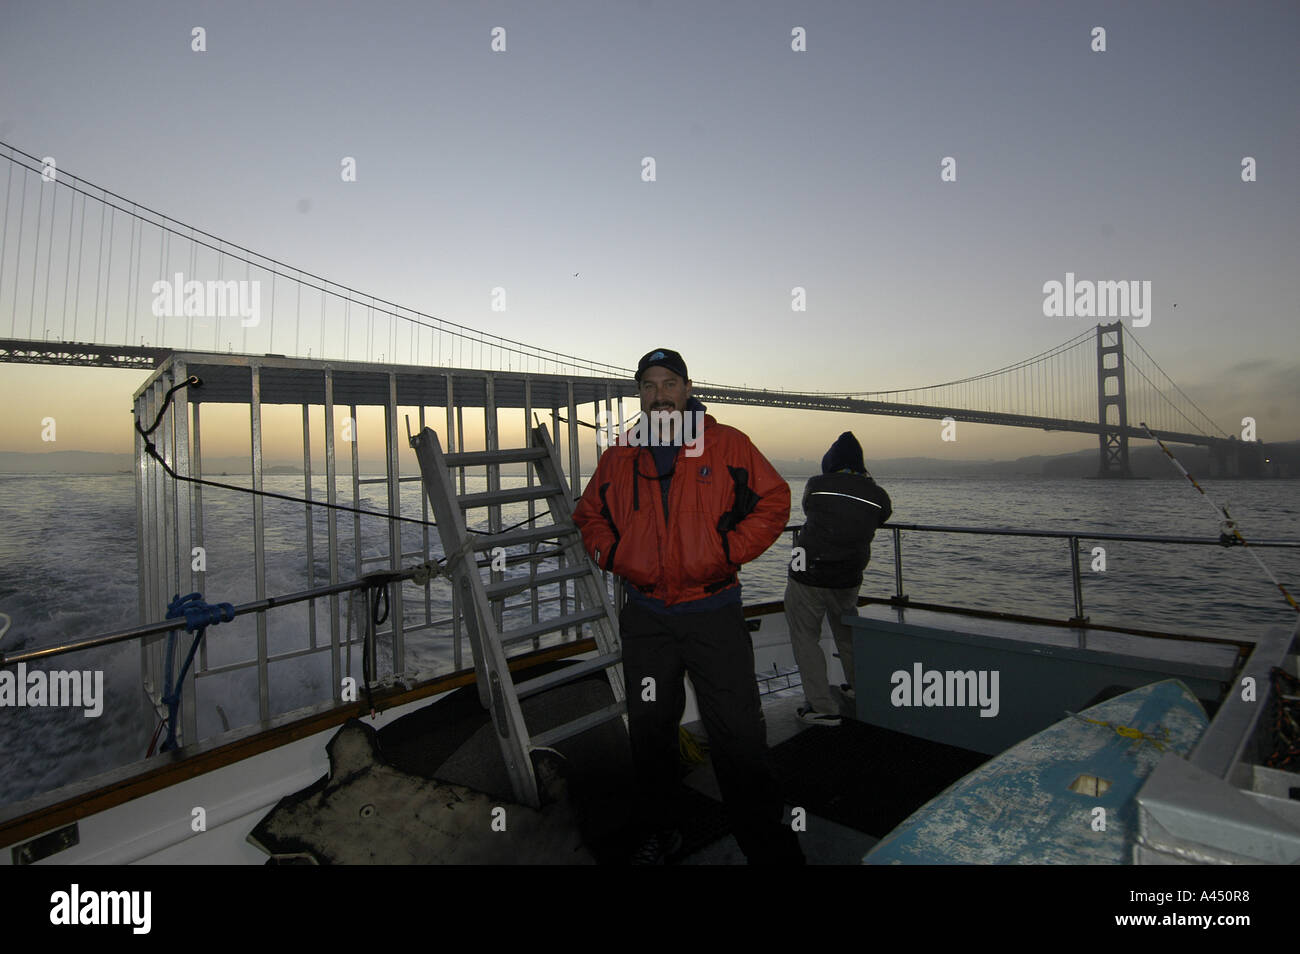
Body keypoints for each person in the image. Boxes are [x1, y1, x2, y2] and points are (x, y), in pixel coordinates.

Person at [572, 348, 803, 864]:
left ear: (687, 387)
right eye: (649, 386)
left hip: (713, 613)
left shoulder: (727, 445)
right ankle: (660, 830)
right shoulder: (620, 455)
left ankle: (767, 848)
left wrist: (727, 551)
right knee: (651, 732)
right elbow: (588, 512)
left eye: (669, 383)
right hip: (647, 618)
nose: (660, 395)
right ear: (640, 394)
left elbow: (775, 500)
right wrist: (610, 552)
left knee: (737, 733)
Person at [785, 431, 892, 727]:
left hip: (807, 574)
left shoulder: (817, 485)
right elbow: (881, 517)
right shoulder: (878, 495)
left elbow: (809, 511)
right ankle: (859, 689)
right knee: (847, 636)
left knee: (806, 637)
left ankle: (821, 706)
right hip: (848, 577)